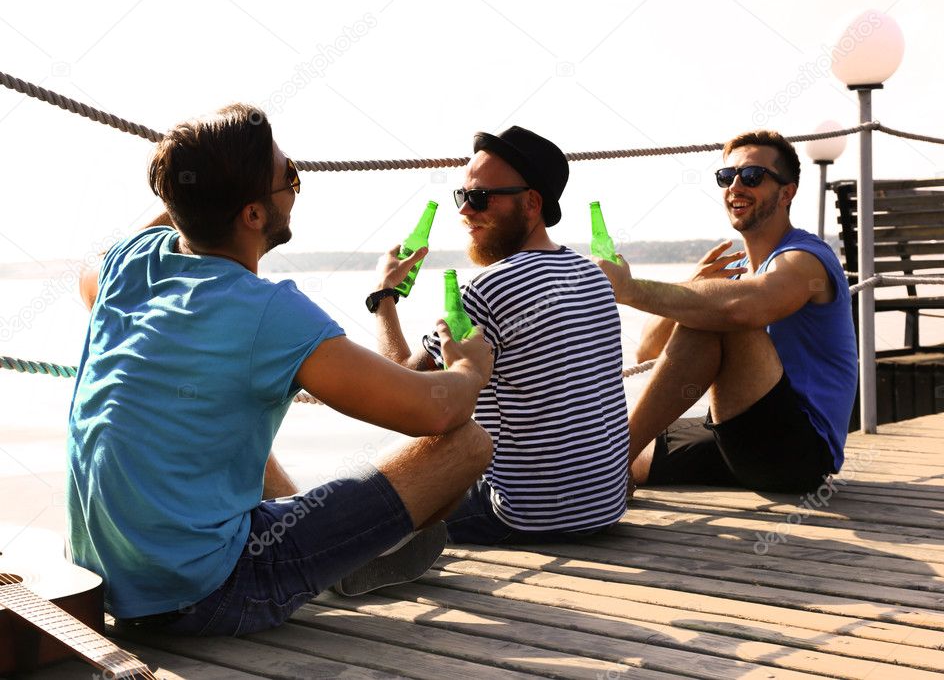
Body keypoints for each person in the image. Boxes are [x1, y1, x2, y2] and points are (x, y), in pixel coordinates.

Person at [66, 103, 495, 637]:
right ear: (252, 214)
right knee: (468, 443)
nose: (295, 184)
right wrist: (468, 369)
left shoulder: (124, 266)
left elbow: (94, 262)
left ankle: (327, 555)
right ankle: (336, 562)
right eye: (289, 176)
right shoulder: (270, 313)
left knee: (218, 410)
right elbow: (435, 411)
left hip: (99, 588)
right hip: (208, 594)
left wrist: (193, 184)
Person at [371, 126, 630, 544]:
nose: (465, 212)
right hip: (603, 508)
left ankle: (366, 542)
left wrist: (383, 296)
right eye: (462, 197)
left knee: (418, 456)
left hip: (522, 515)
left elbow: (399, 388)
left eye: (480, 198)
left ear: (531, 203)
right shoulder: (593, 275)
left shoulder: (490, 288)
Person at [597, 129, 857, 493]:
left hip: (798, 453)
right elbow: (648, 353)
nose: (736, 186)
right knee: (614, 451)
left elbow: (740, 310)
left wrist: (629, 289)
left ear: (787, 192)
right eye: (726, 176)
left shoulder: (806, 260)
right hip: (741, 435)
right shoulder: (741, 276)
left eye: (752, 176)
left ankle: (611, 466)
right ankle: (600, 466)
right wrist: (692, 284)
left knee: (718, 318)